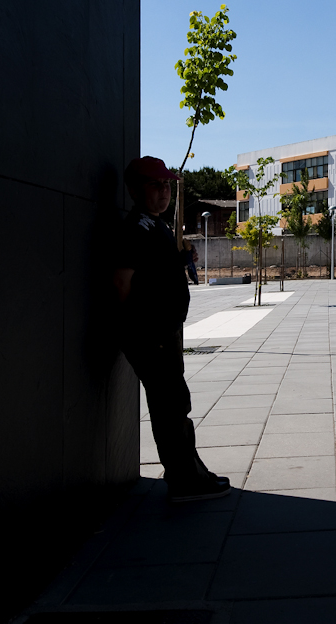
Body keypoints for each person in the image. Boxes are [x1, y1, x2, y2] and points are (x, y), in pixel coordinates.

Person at [115, 157, 230, 502]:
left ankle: (190, 471)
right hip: (151, 334)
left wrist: (182, 258)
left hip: (165, 332)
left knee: (175, 403)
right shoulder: (135, 229)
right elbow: (122, 284)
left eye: (166, 185)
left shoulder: (156, 225)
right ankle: (185, 481)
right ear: (135, 190)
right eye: (155, 185)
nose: (163, 192)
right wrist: (142, 328)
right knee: (169, 406)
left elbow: (157, 268)